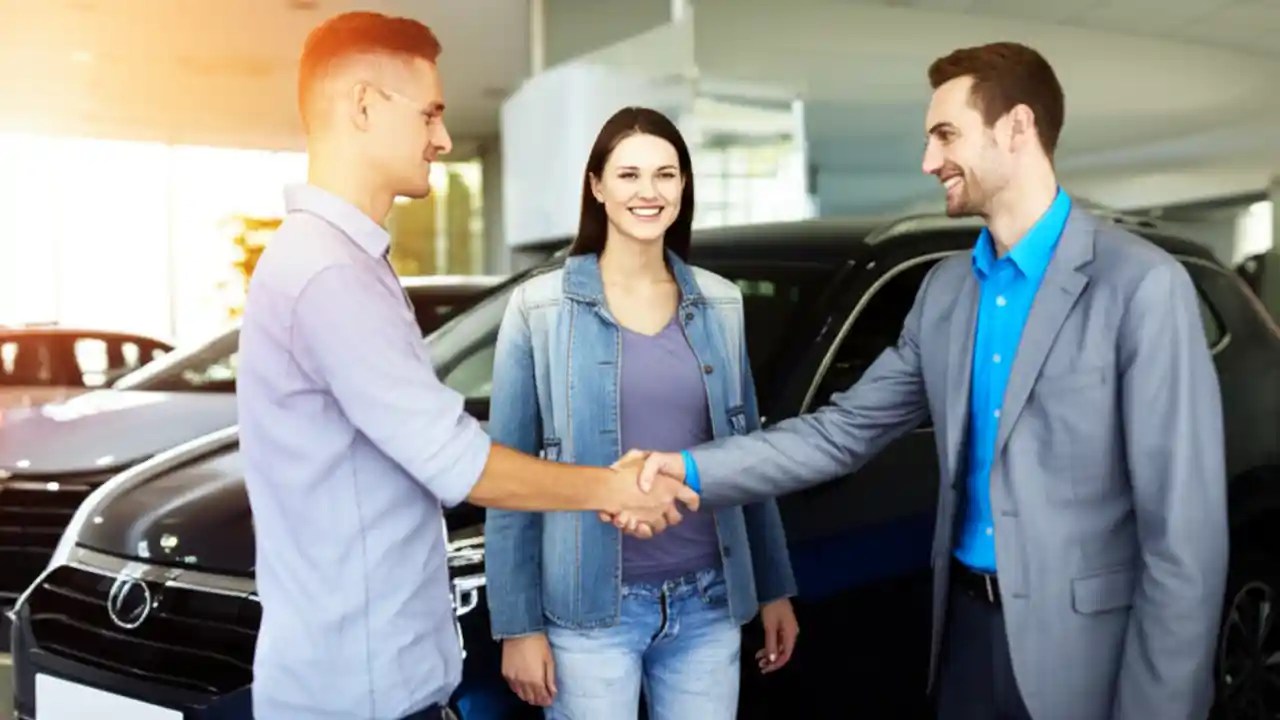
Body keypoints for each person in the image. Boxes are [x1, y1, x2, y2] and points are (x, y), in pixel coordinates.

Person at [619, 42, 1228, 720]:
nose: (928, 161)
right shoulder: (945, 292)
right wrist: (685, 469)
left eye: (945, 135)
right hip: (965, 636)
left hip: (1087, 654)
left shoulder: (1140, 285)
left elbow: (1185, 539)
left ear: (1017, 127)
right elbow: (840, 433)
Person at [236, 13, 696, 720]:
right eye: (429, 114)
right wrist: (614, 488)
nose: (443, 139)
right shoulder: (327, 272)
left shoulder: (342, 261)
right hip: (359, 699)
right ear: (363, 105)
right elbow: (460, 464)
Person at [484, 107, 800, 720]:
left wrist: (773, 587)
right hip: (588, 613)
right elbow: (508, 477)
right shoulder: (539, 308)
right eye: (628, 175)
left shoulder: (722, 303)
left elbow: (747, 455)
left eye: (665, 174)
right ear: (597, 187)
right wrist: (518, 625)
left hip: (709, 602)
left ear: (684, 186)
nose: (648, 192)